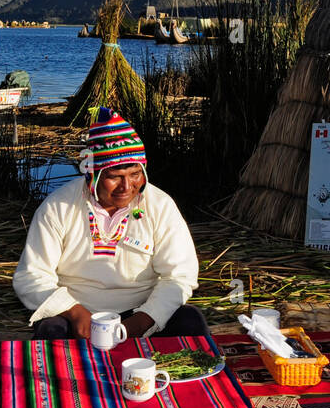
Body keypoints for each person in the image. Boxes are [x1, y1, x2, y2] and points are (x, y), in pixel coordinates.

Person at [14, 108, 207, 341]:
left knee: (190, 321)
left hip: (140, 310)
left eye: (135, 173)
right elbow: (31, 277)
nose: (127, 186)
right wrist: (76, 314)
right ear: (92, 175)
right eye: (114, 176)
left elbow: (179, 276)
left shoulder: (160, 206)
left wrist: (144, 319)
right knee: (51, 332)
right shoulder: (58, 206)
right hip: (75, 312)